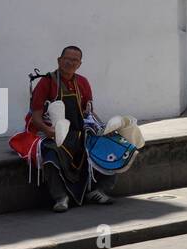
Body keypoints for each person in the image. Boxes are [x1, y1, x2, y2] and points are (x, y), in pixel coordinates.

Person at [14, 46, 119, 212]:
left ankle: (100, 191)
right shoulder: (46, 82)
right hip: (54, 133)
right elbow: (36, 116)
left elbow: (89, 112)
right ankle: (61, 197)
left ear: (79, 64)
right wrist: (48, 130)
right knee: (49, 153)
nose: (70, 62)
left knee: (113, 146)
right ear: (59, 60)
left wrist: (103, 128)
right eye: (67, 59)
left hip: (79, 131)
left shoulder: (83, 82)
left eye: (75, 60)